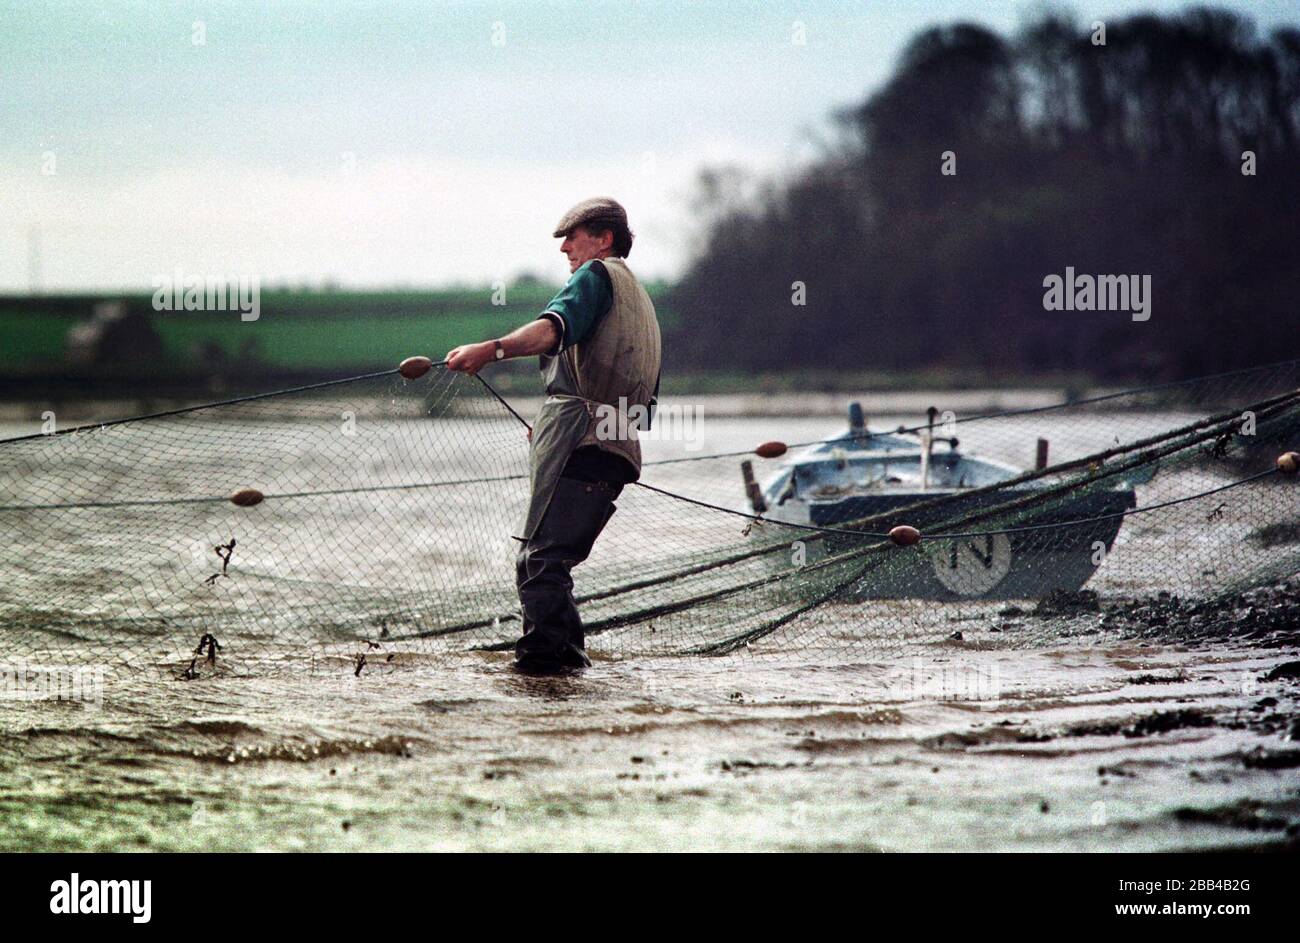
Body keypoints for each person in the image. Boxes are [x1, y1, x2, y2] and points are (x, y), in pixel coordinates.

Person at [445, 198, 662, 673]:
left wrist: (492, 349)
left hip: (588, 444)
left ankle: (542, 678)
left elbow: (551, 330)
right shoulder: (636, 295)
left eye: (574, 235)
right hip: (612, 447)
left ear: (604, 238)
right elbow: (626, 397)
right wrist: (553, 429)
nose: (564, 247)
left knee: (540, 564)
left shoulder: (597, 277)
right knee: (548, 564)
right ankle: (570, 674)